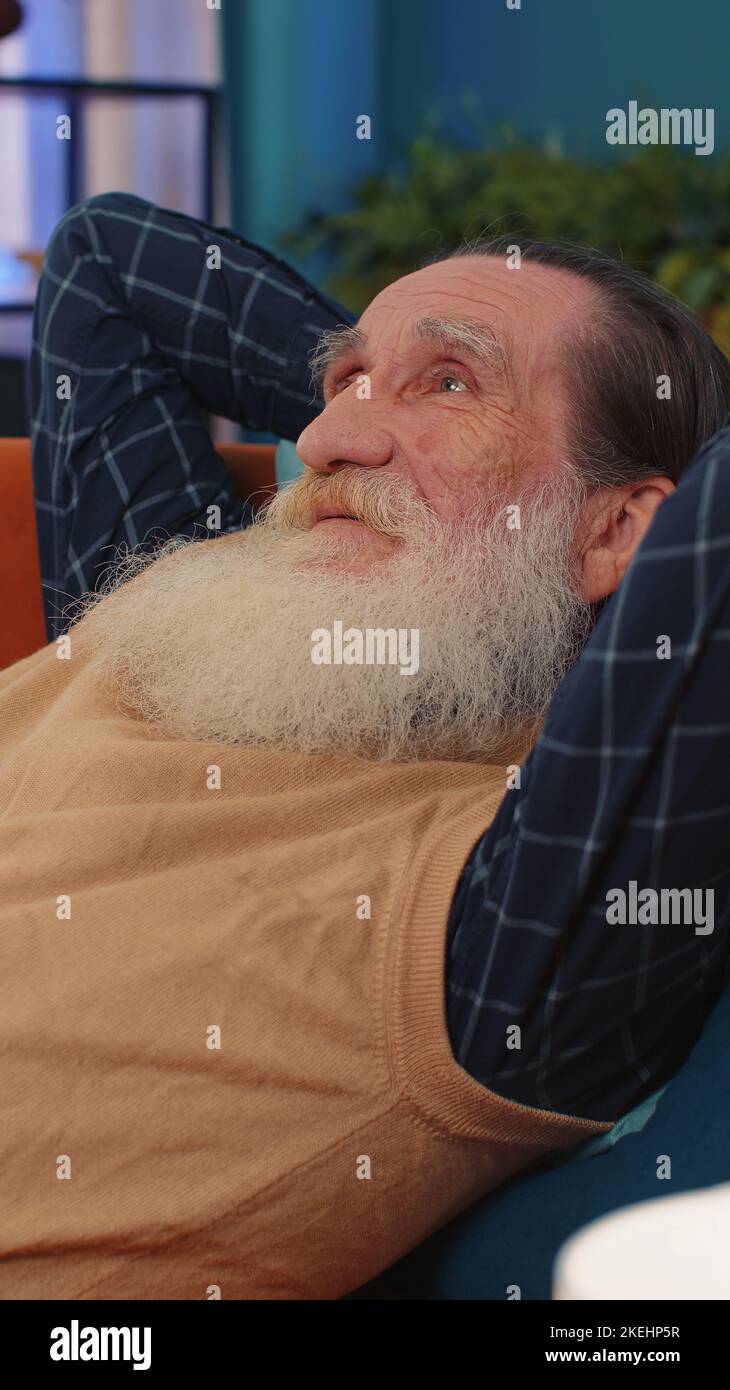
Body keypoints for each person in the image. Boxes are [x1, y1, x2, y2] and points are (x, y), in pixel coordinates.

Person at [0, 191, 727, 1299]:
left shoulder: (501, 912)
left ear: (618, 530)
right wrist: (410, 411)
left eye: (453, 383)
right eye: (341, 380)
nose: (323, 440)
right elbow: (112, 267)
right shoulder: (191, 605)